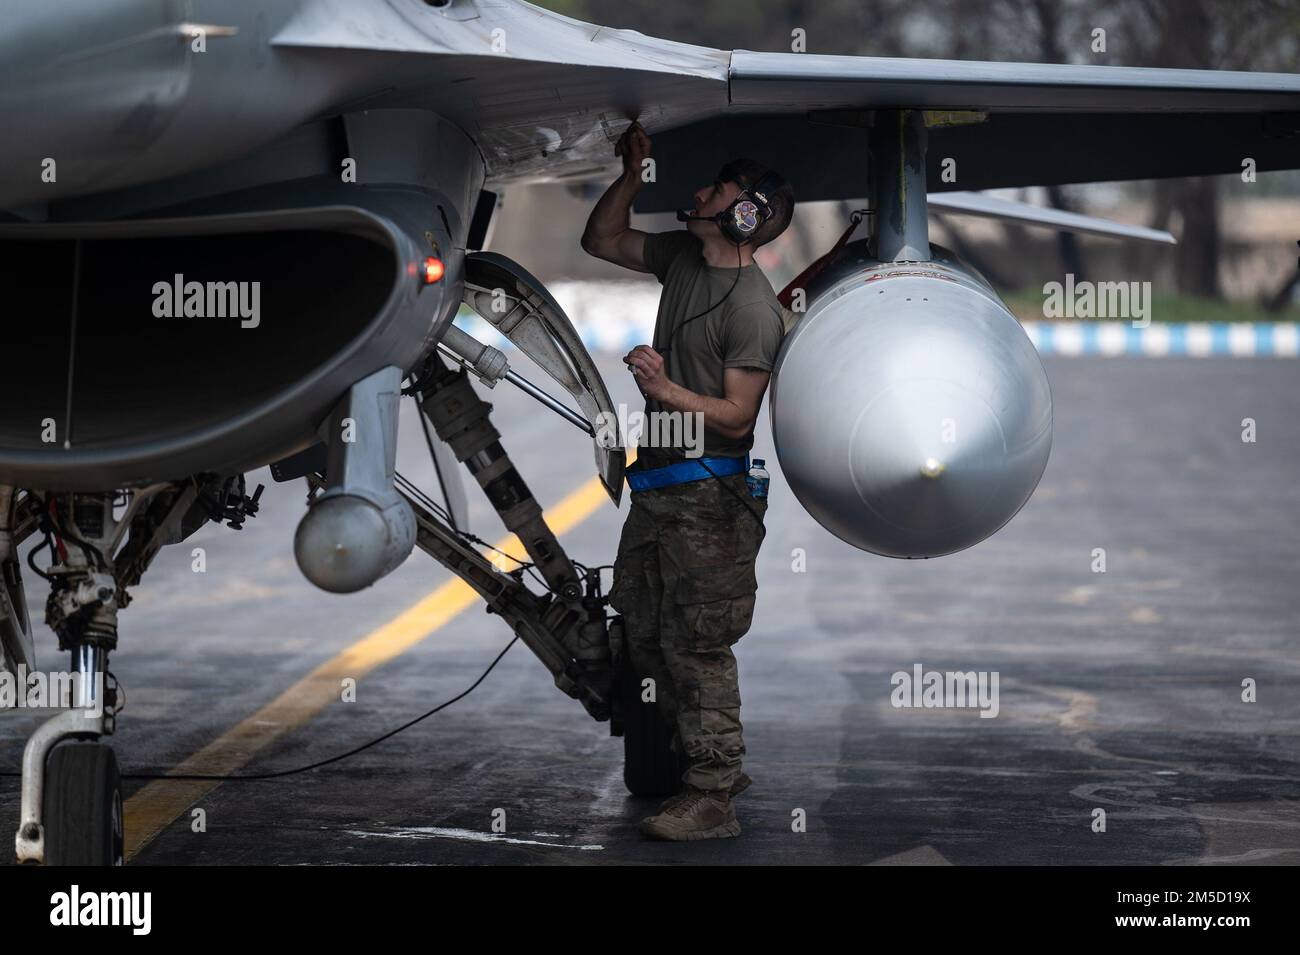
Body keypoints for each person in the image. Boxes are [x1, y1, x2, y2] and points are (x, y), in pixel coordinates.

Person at [580, 120, 794, 840]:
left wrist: (663, 386)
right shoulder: (682, 260)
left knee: (698, 644)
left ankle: (712, 796)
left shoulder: (753, 310)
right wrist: (631, 175)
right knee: (644, 632)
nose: (698, 192)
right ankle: (697, 768)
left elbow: (736, 419)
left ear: (744, 214)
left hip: (710, 497)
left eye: (718, 190)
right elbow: (601, 240)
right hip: (660, 490)